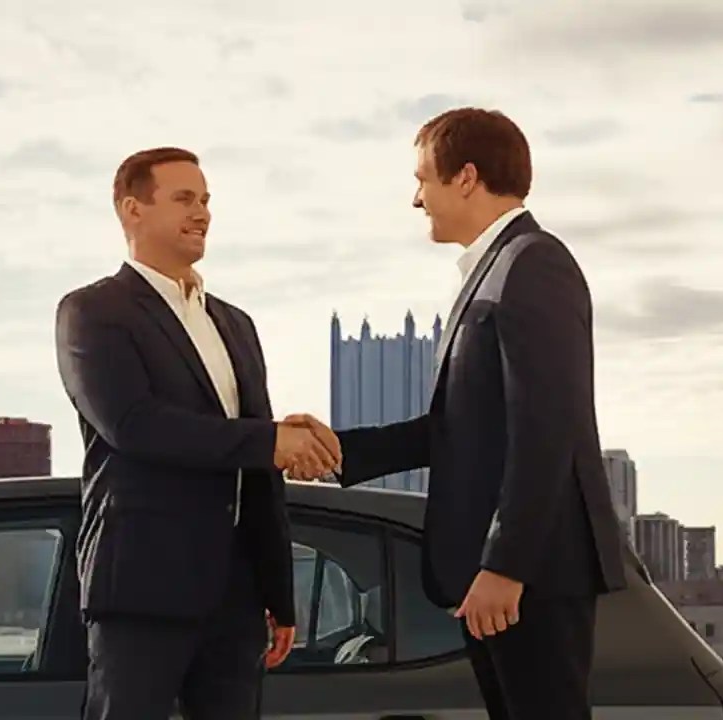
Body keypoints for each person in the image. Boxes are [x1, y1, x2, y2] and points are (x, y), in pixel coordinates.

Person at [286, 108, 627, 720]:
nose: (417, 199)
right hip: (499, 577)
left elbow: (548, 429)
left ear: (466, 178)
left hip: (532, 577)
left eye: (423, 179)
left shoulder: (533, 264)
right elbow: (456, 431)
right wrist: (336, 451)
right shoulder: (496, 271)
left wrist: (507, 565)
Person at [54, 146, 341, 720]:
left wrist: (276, 593)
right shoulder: (93, 311)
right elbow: (133, 425)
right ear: (132, 210)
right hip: (141, 589)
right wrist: (269, 440)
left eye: (206, 200)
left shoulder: (235, 324)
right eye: (184, 198)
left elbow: (258, 469)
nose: (202, 212)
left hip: (236, 598)